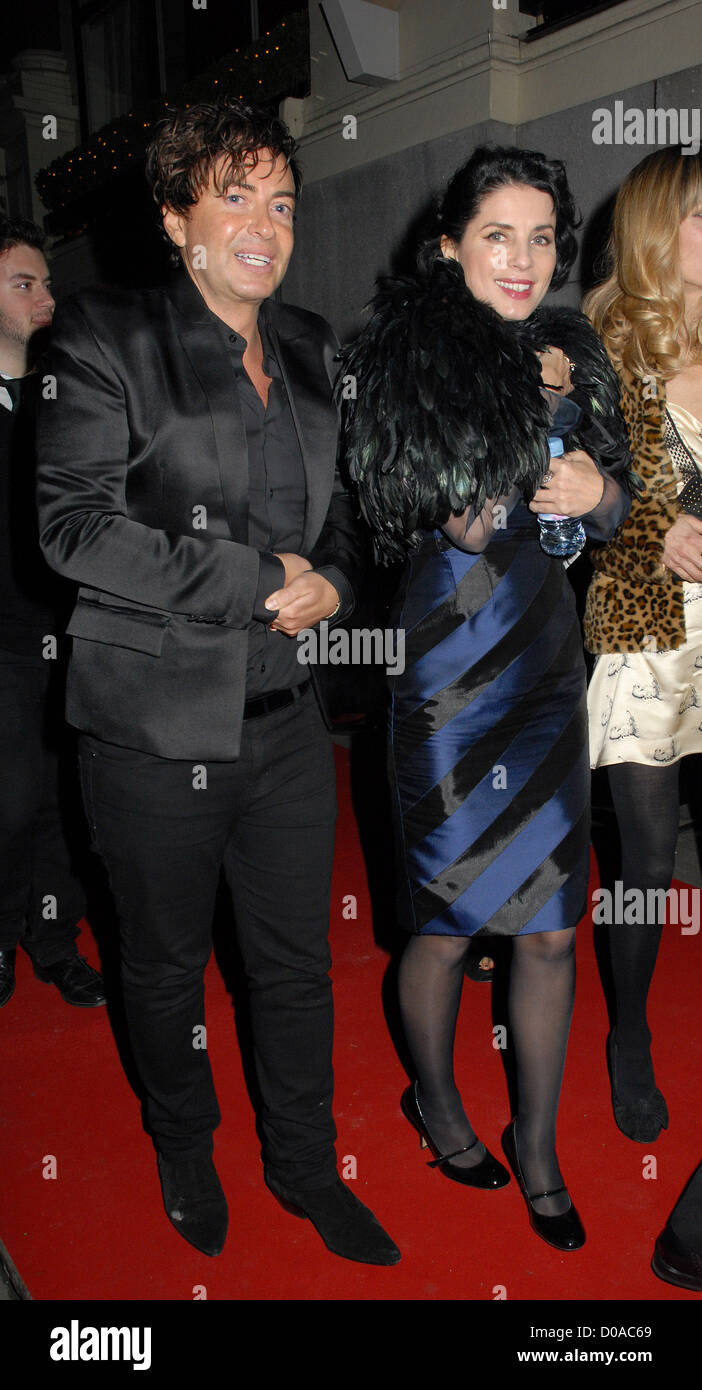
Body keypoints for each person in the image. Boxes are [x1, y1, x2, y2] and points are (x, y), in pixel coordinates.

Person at [35, 98, 399, 1267]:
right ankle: (185, 1145)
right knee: (164, 964)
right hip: (151, 731)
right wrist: (251, 579)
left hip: (288, 721)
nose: (264, 221)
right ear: (175, 217)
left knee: (295, 964)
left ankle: (301, 1163)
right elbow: (72, 530)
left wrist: (337, 586)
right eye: (233, 194)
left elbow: (346, 517)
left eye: (282, 200)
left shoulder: (309, 345)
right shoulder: (101, 334)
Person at [341, 146, 633, 1251]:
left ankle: (541, 1147)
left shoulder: (572, 352)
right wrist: (532, 402)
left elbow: (606, 507)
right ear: (451, 242)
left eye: (542, 238)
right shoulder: (408, 353)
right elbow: (463, 511)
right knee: (455, 922)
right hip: (453, 689)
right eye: (497, 235)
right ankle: (441, 1103)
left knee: (553, 930)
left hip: (548, 679)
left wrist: (602, 488)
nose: (522, 259)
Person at [584, 147, 702, 1144]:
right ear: (659, 226)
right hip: (649, 635)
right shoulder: (606, 341)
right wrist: (648, 526)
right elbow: (572, 497)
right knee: (647, 864)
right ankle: (628, 1034)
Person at [0, 215, 104, 1011]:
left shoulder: (64, 394)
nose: (45, 296)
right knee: (9, 799)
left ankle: (54, 938)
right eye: (23, 283)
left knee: (66, 797)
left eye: (45, 282)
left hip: (68, 633)